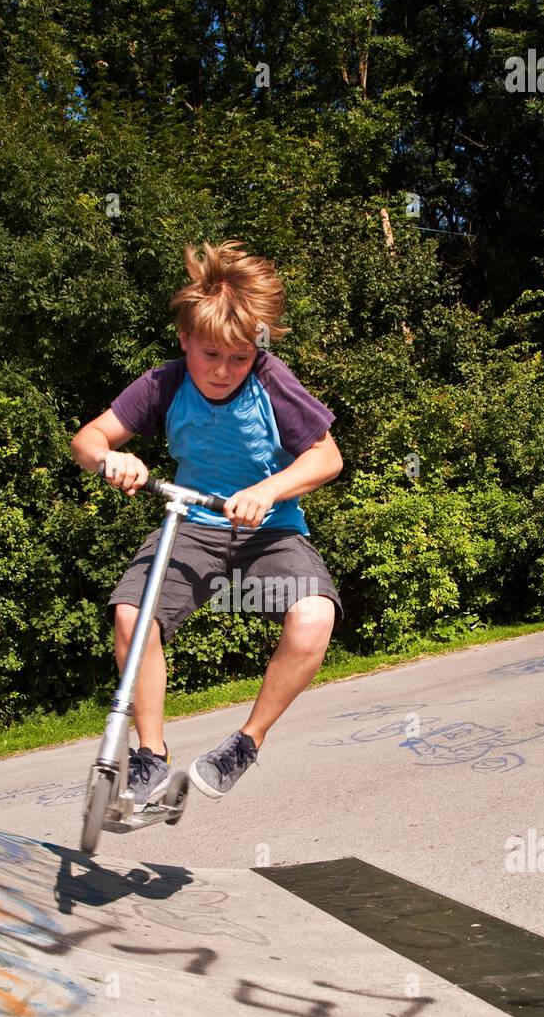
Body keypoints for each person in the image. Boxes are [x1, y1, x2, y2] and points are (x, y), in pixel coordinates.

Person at [70, 240, 344, 810]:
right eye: (210, 356)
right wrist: (110, 459)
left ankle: (245, 744)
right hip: (190, 523)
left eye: (239, 359)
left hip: (270, 529)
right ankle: (149, 758)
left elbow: (327, 458)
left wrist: (267, 490)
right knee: (130, 616)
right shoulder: (164, 383)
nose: (223, 371)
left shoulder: (271, 381)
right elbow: (87, 439)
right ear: (185, 340)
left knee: (315, 617)